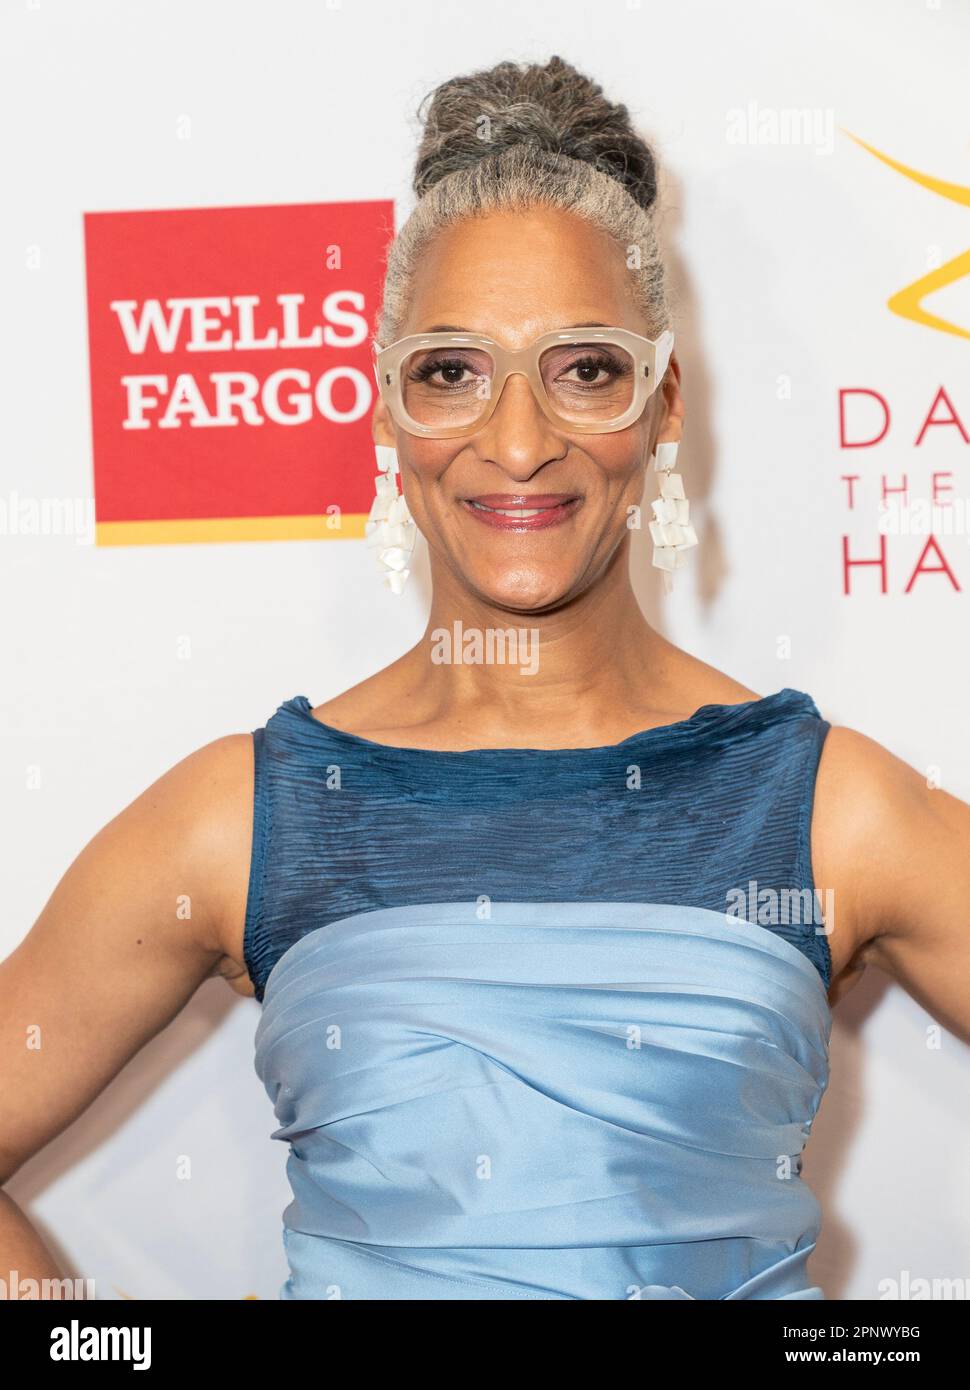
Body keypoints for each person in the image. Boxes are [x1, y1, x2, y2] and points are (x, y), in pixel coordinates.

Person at [3, 55, 969, 1302]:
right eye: (452, 370)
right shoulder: (246, 814)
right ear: (388, 412)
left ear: (663, 403)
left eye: (586, 366)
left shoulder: (827, 807)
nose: (518, 441)